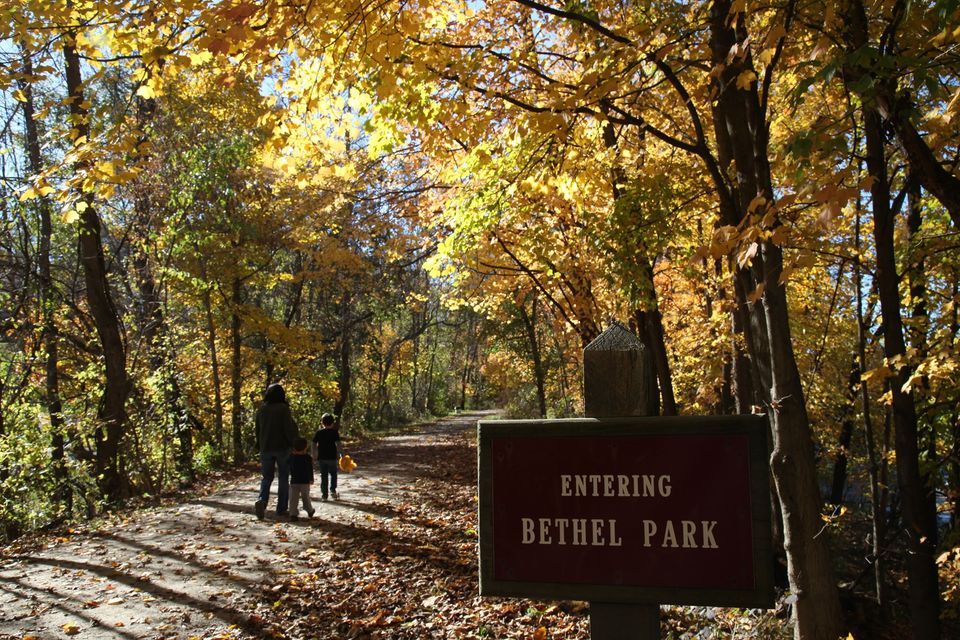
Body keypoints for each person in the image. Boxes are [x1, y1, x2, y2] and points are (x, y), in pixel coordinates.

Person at [254, 383, 298, 520]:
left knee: (266, 477)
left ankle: (262, 500)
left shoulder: (261, 409)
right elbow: (288, 428)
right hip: (282, 447)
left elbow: (257, 429)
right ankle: (281, 508)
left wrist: (258, 444)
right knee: (283, 477)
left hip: (265, 447)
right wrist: (294, 443)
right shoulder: (283, 409)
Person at [312, 412, 342, 501]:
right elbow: (338, 444)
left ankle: (324, 495)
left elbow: (313, 443)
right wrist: (341, 455)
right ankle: (333, 490)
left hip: (322, 458)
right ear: (332, 423)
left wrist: (314, 453)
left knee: (324, 476)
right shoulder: (334, 432)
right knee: (333, 474)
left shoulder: (319, 432)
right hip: (332, 457)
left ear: (322, 423)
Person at [287, 437, 315, 521]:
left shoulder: (291, 457)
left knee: (293, 498)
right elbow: (310, 469)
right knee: (305, 497)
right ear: (306, 447)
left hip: (294, 481)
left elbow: (287, 465)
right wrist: (311, 478)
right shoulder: (308, 458)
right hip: (305, 481)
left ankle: (293, 514)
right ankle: (309, 510)